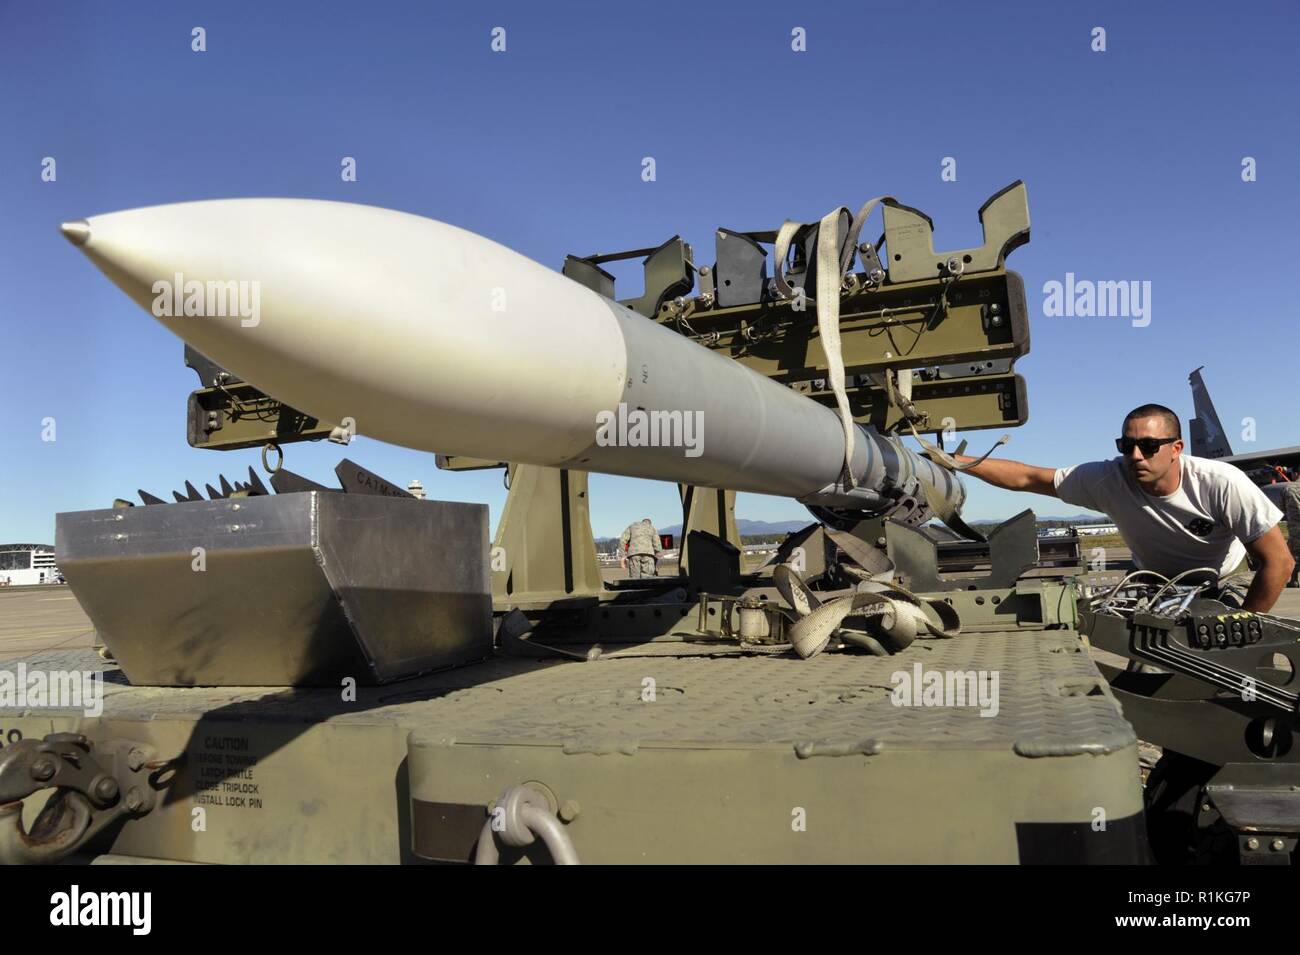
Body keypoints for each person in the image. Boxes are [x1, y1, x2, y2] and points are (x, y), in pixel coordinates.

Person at [950, 403, 1294, 613]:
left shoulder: (1220, 482)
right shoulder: (1109, 479)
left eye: (1148, 445)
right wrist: (956, 462)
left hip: (1225, 577)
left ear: (1176, 448)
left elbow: (1278, 562)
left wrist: (1242, 623)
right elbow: (1029, 478)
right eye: (1127, 445)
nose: (1135, 456)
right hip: (1156, 582)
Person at [1283, 478, 1300, 588]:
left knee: (1295, 552)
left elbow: (1284, 508)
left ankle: (1294, 580)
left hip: (1296, 525)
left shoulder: (1289, 488)